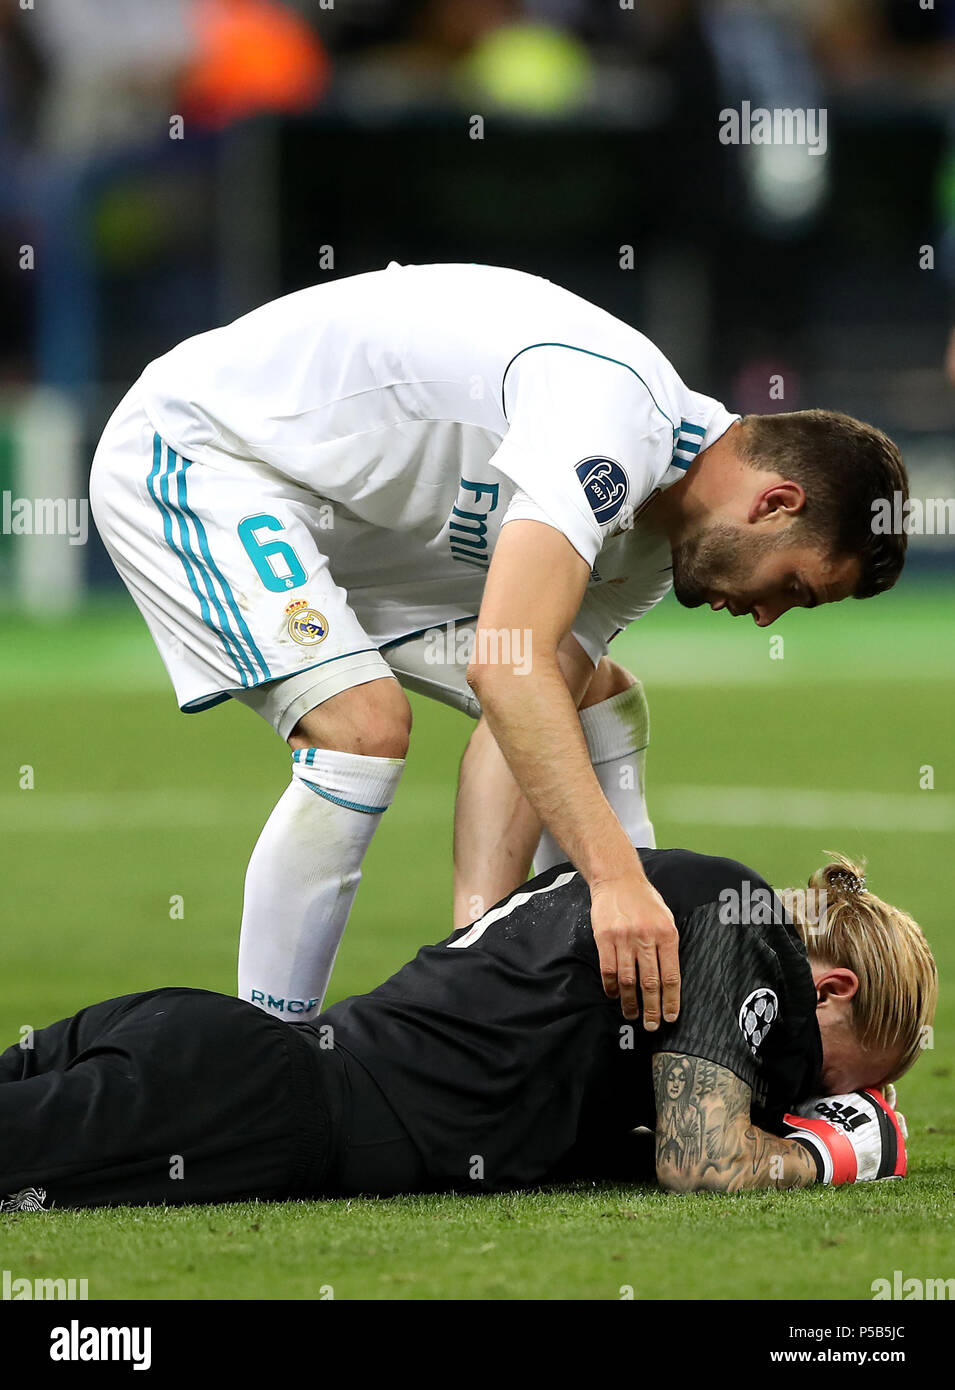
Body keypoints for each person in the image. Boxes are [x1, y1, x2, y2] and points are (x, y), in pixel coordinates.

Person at [88, 262, 909, 1030]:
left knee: (591, 697)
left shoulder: (652, 546)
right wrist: (614, 879)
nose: (769, 617)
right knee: (360, 730)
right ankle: (265, 1057)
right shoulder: (612, 422)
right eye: (795, 588)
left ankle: (592, 1009)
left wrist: (477, 957)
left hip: (351, 528)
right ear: (774, 503)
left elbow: (519, 712)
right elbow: (504, 669)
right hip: (203, 454)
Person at [0, 848, 935, 1211]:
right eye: (838, 1082)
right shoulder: (745, 926)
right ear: (828, 989)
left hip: (198, 1047)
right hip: (253, 1109)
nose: (809, 1100)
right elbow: (703, 1163)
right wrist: (835, 1151)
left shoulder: (645, 903)